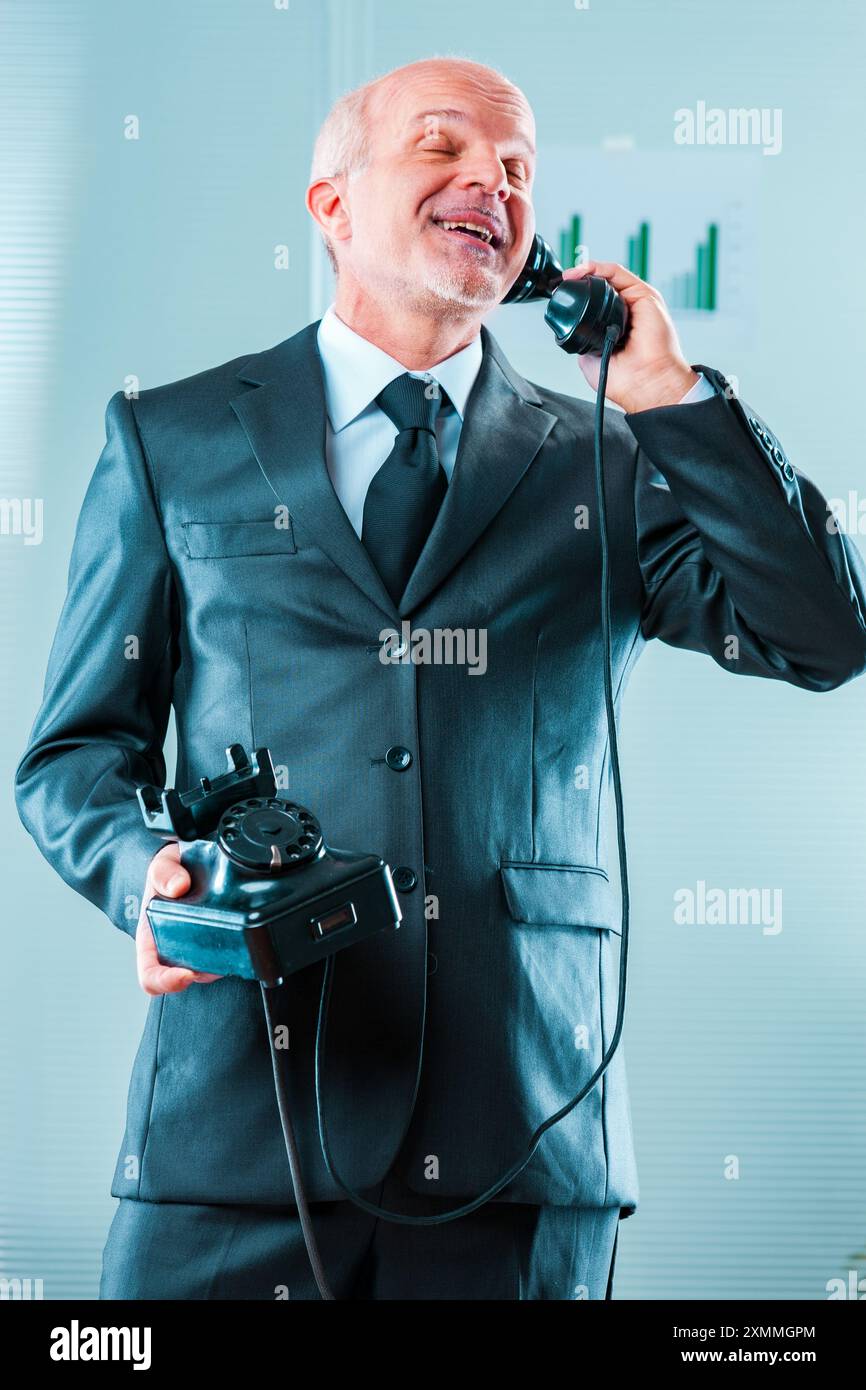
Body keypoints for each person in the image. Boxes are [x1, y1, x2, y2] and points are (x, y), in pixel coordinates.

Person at [15, 55, 866, 1301]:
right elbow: (73, 754)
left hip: (516, 1155)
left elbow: (823, 635)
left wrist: (672, 398)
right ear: (332, 204)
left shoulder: (612, 461)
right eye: (442, 146)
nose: (492, 180)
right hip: (238, 1134)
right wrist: (140, 873)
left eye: (518, 169)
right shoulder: (173, 440)